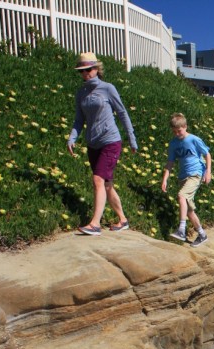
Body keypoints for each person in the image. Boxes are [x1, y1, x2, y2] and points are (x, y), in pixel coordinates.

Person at [67, 52, 137, 236]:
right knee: (107, 184)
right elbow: (79, 120)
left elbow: (122, 113)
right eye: (81, 71)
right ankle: (123, 219)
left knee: (98, 180)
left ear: (96, 69)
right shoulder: (81, 93)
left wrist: (131, 138)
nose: (85, 73)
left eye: (88, 69)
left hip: (110, 141)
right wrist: (72, 138)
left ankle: (95, 224)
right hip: (93, 143)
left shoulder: (108, 88)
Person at [162, 113, 212, 247]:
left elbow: (207, 154)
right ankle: (202, 234)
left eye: (179, 131)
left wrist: (208, 172)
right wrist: (165, 179)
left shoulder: (194, 139)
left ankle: (181, 230)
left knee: (181, 196)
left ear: (185, 127)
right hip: (183, 176)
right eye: (174, 131)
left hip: (196, 174)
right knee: (189, 210)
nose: (177, 134)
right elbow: (170, 163)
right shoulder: (173, 143)